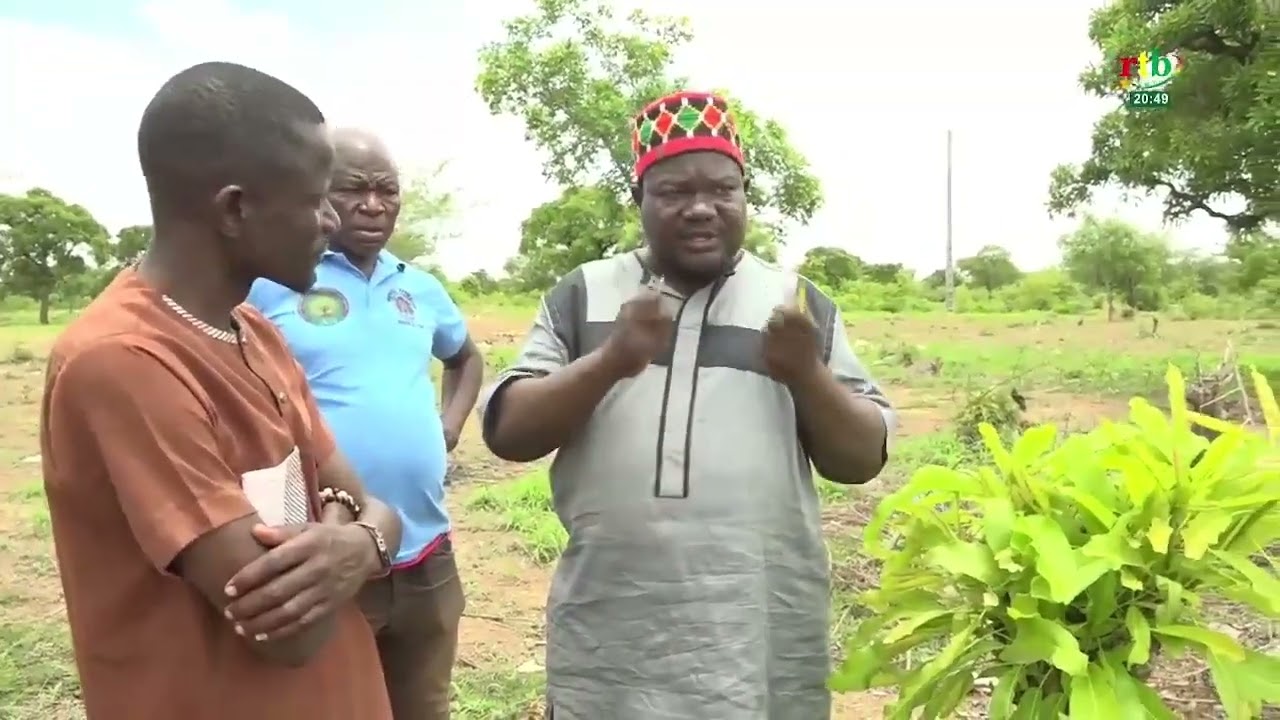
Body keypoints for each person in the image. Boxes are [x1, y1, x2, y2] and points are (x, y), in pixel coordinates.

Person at [479, 91, 897, 720]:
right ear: (639, 198)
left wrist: (807, 373)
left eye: (722, 189)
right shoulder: (584, 293)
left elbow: (862, 460)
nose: (701, 208)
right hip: (612, 634)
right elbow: (508, 433)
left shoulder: (796, 303)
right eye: (674, 191)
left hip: (757, 633)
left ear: (745, 195)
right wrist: (613, 359)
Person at [39, 62, 402, 720]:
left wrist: (355, 543)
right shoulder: (124, 361)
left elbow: (376, 507)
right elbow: (290, 633)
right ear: (235, 208)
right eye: (316, 199)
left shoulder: (253, 332)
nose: (331, 221)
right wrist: (354, 533)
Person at [248, 127, 483, 720]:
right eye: (354, 189)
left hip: (426, 554)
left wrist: (448, 426)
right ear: (320, 196)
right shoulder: (275, 283)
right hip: (326, 554)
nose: (373, 205)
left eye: (387, 190)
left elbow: (465, 358)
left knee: (423, 707)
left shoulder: (420, 288)